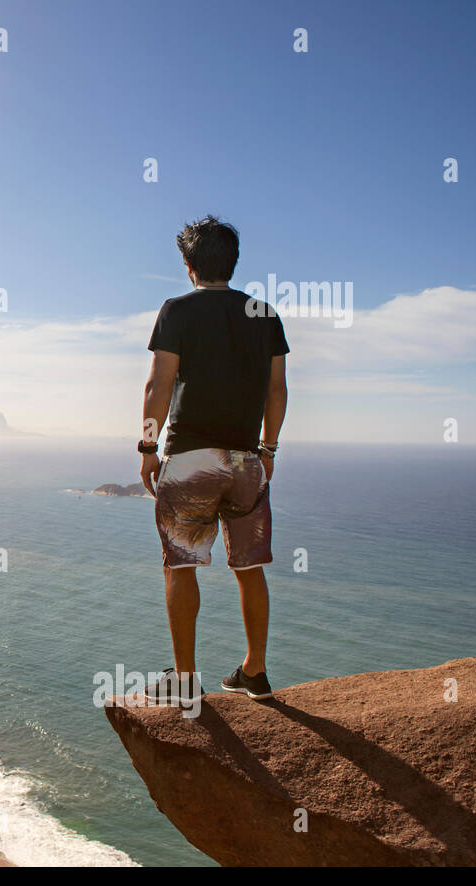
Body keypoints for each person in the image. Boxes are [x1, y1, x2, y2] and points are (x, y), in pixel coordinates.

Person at [136, 216, 289, 706]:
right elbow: (277, 388)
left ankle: (185, 681)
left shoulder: (176, 311)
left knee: (181, 566)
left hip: (190, 459)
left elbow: (158, 385)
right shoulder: (264, 314)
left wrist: (146, 447)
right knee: (249, 566)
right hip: (246, 459)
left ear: (188, 266)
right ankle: (256, 673)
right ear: (233, 262)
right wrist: (268, 448)